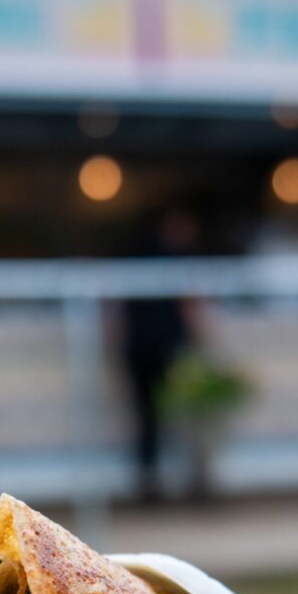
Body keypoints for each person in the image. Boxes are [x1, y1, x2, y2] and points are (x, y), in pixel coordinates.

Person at [116, 207, 200, 502]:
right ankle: (160, 480)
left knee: (159, 417)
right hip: (158, 350)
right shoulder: (167, 259)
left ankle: (164, 478)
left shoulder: (140, 256)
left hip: (147, 349)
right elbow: (190, 304)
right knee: (156, 416)